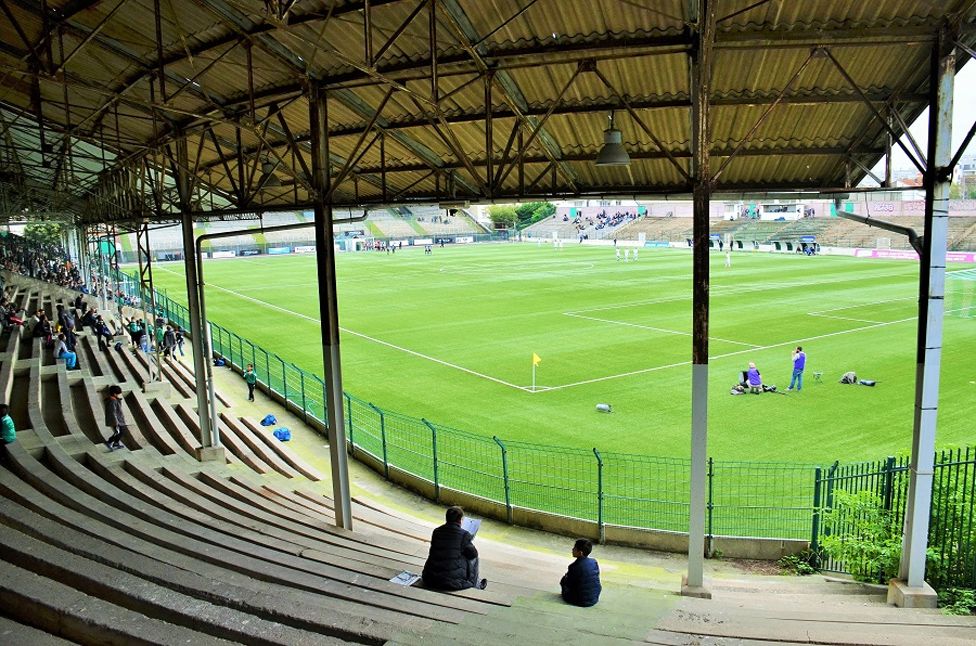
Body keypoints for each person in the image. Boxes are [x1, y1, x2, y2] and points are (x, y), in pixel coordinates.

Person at [422, 506, 486, 591]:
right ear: (460, 520)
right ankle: (475, 583)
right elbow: (473, 554)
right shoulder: (464, 534)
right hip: (451, 583)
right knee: (474, 557)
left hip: (429, 578)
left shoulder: (436, 531)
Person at [560, 538, 602, 607]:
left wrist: (565, 580)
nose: (572, 550)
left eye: (574, 548)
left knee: (563, 581)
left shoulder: (573, 567)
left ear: (580, 553)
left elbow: (569, 584)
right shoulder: (594, 562)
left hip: (580, 601)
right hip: (595, 598)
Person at [103, 385, 127, 451]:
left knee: (120, 431)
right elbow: (112, 412)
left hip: (118, 419)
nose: (118, 395)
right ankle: (109, 442)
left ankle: (116, 443)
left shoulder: (114, 400)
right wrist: (116, 422)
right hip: (116, 421)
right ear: (114, 394)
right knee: (119, 432)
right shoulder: (112, 401)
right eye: (118, 394)